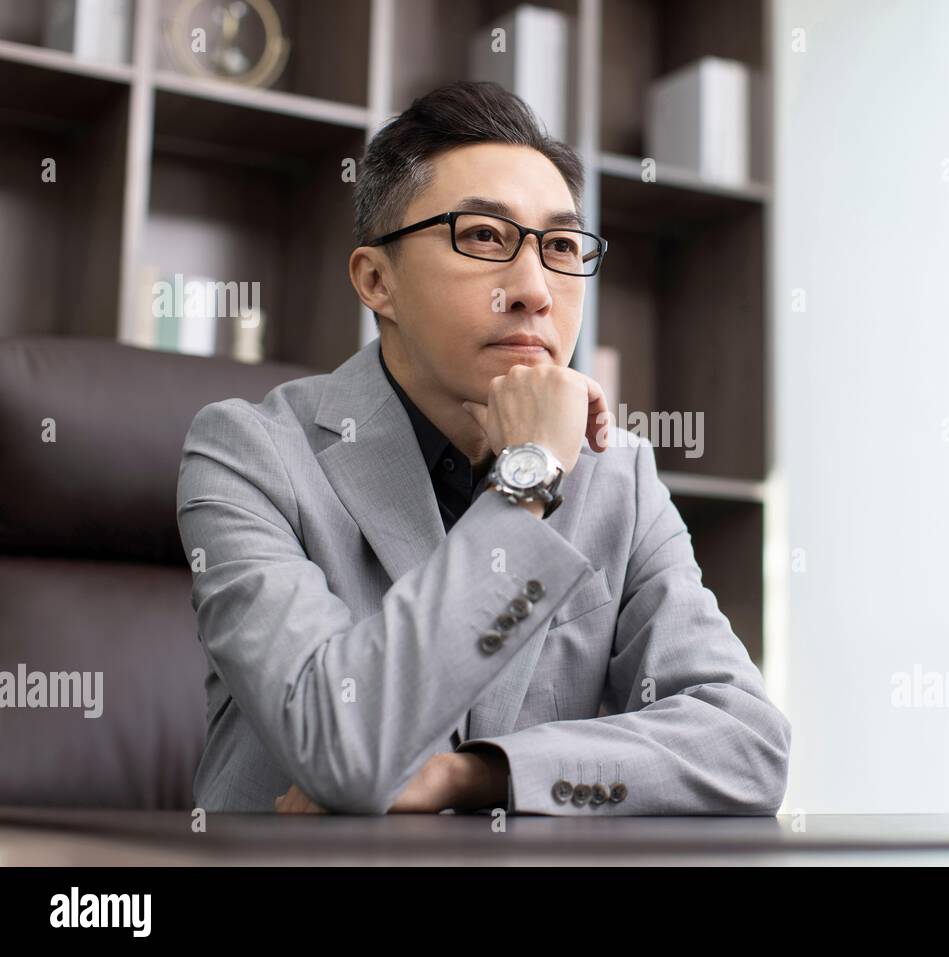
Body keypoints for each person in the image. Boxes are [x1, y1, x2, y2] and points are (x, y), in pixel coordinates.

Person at [176, 80, 791, 816]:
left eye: (561, 246)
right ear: (377, 281)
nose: (534, 288)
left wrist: (478, 775)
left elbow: (748, 744)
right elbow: (340, 748)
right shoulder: (247, 453)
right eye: (484, 236)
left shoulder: (617, 474)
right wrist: (526, 480)